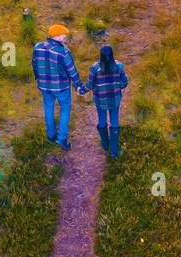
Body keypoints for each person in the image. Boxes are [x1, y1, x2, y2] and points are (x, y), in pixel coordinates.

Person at [32, 23, 86, 151]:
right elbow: (72, 71)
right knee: (65, 110)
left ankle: (51, 136)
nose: (65, 36)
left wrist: (37, 78)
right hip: (61, 87)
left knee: (48, 108)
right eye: (63, 34)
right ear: (57, 36)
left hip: (44, 86)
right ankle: (61, 139)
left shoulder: (38, 47)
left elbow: (34, 64)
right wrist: (78, 86)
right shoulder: (63, 52)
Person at [86, 45, 128, 159]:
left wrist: (81, 89)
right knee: (114, 120)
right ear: (112, 54)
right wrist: (118, 85)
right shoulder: (119, 66)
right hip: (115, 99)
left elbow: (90, 85)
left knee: (102, 119)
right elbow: (124, 83)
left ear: (100, 55)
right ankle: (114, 151)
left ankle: (105, 145)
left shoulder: (94, 68)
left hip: (100, 100)